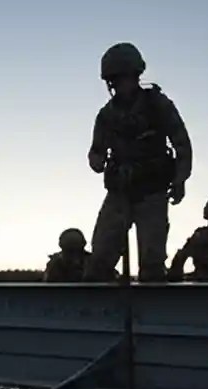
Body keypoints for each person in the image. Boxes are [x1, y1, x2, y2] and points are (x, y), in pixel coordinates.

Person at [84, 42, 192, 283]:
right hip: (119, 192)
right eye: (113, 80)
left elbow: (182, 144)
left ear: (135, 75)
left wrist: (180, 179)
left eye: (121, 78)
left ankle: (152, 315)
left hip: (152, 190)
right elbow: (96, 152)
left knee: (152, 263)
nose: (116, 85)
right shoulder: (107, 115)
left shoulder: (158, 105)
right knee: (100, 257)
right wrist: (97, 160)